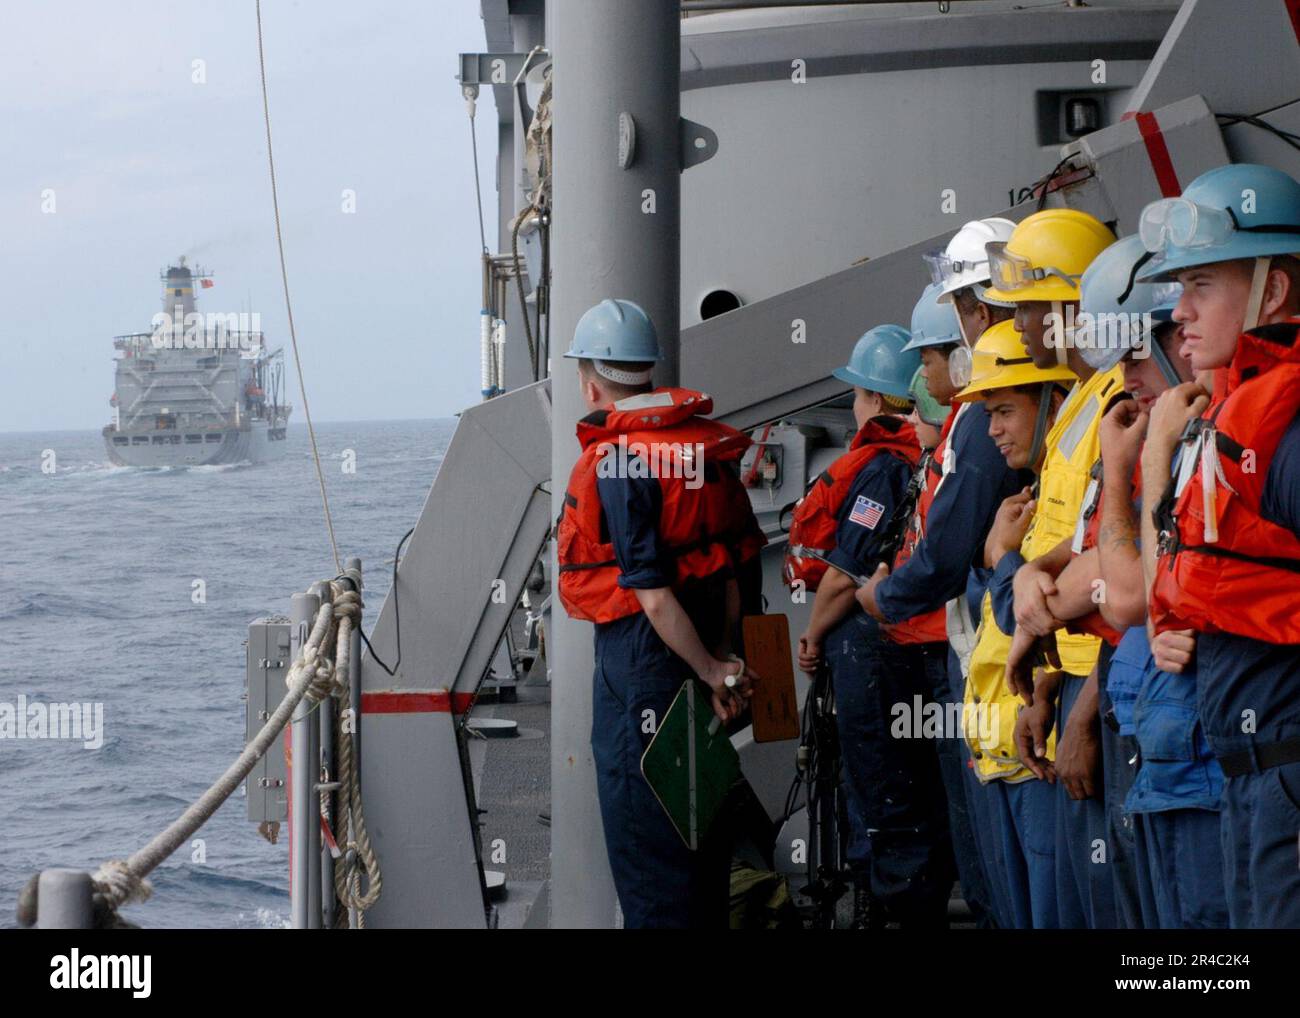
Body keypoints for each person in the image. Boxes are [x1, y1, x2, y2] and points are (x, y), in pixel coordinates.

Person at [554, 298, 762, 928]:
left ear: (590, 382)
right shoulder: (699, 449)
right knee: (699, 843)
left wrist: (704, 668)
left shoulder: (619, 458)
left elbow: (649, 591)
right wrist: (724, 663)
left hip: (647, 663)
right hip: (701, 652)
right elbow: (725, 563)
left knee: (650, 861)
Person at [1134, 163, 1300, 928]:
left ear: (1272, 291)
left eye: (1202, 284)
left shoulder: (1286, 433)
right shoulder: (1232, 415)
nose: (1181, 310)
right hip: (1248, 780)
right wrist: (1178, 620)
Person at [854, 273, 1029, 929]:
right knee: (988, 846)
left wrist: (884, 597)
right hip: (980, 653)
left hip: (991, 657)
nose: (922, 376)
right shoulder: (970, 426)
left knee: (998, 860)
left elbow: (947, 548)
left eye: (926, 358)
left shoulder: (978, 430)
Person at [977, 208, 1121, 928]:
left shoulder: (1115, 404)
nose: (1024, 328)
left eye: (1031, 309)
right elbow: (1071, 552)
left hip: (1113, 698)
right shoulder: (1078, 410)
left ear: (1073, 303)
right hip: (1076, 687)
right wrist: (1047, 686)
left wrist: (1084, 718)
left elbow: (1125, 571)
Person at [792, 324, 954, 927]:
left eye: (858, 393)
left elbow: (846, 574)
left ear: (876, 400)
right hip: (890, 646)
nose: (853, 405)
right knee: (886, 789)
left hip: (871, 647)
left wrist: (810, 635)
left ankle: (899, 906)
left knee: (886, 789)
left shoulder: (881, 469)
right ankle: (890, 897)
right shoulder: (914, 460)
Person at [951, 318, 1076, 928]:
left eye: (1003, 410)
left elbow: (1031, 611)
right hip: (1008, 749)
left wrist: (1002, 559)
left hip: (1042, 758)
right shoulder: (1032, 495)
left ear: (1051, 398)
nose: (993, 429)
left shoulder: (1058, 497)